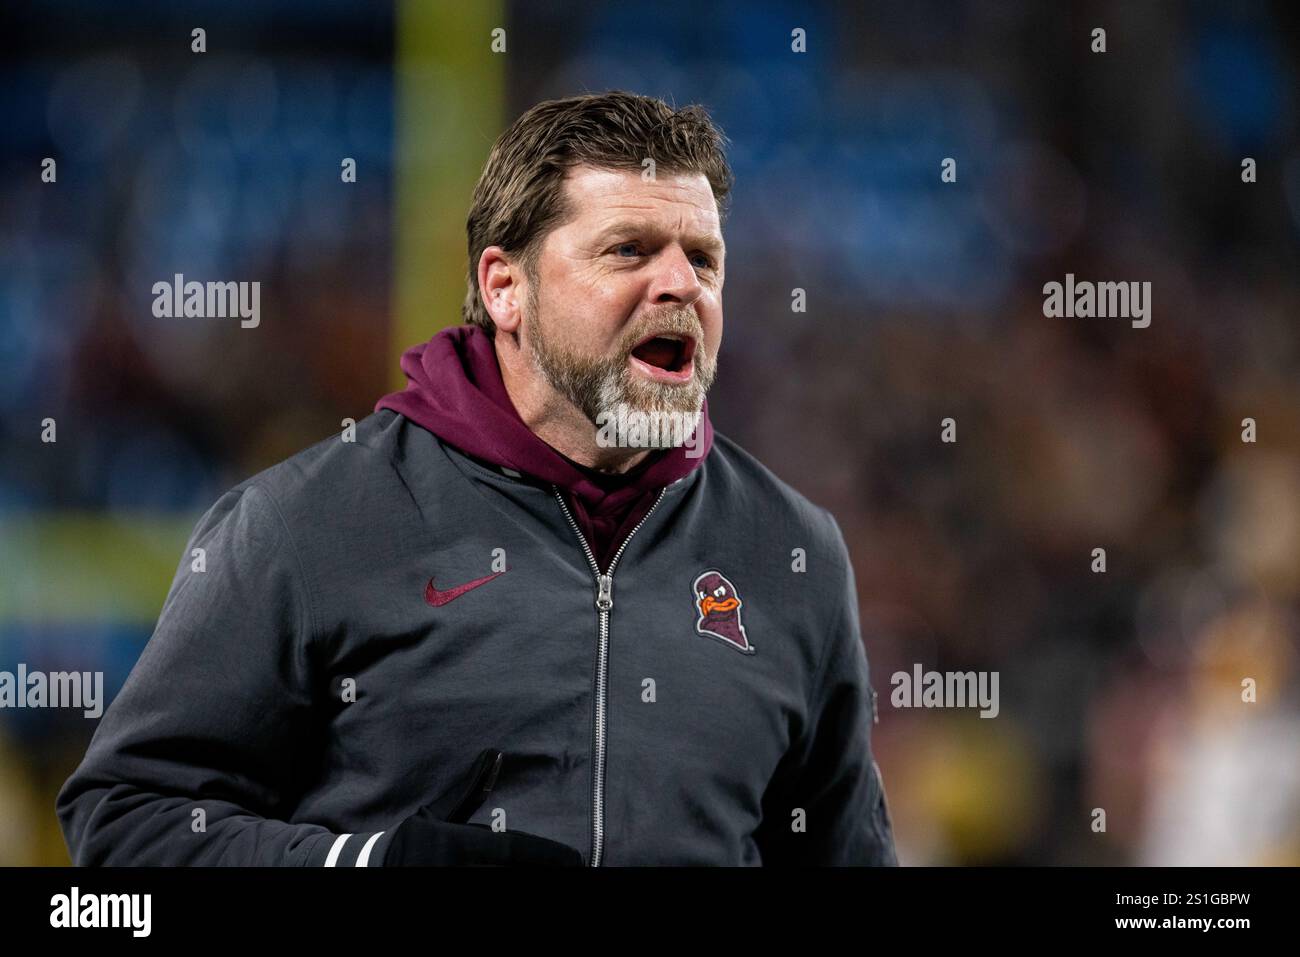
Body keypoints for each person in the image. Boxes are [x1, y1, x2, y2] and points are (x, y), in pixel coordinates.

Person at [56, 90, 898, 867]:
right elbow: (123, 824)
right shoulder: (304, 525)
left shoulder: (792, 551)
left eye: (703, 259)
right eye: (629, 250)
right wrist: (366, 864)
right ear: (506, 288)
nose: (680, 284)